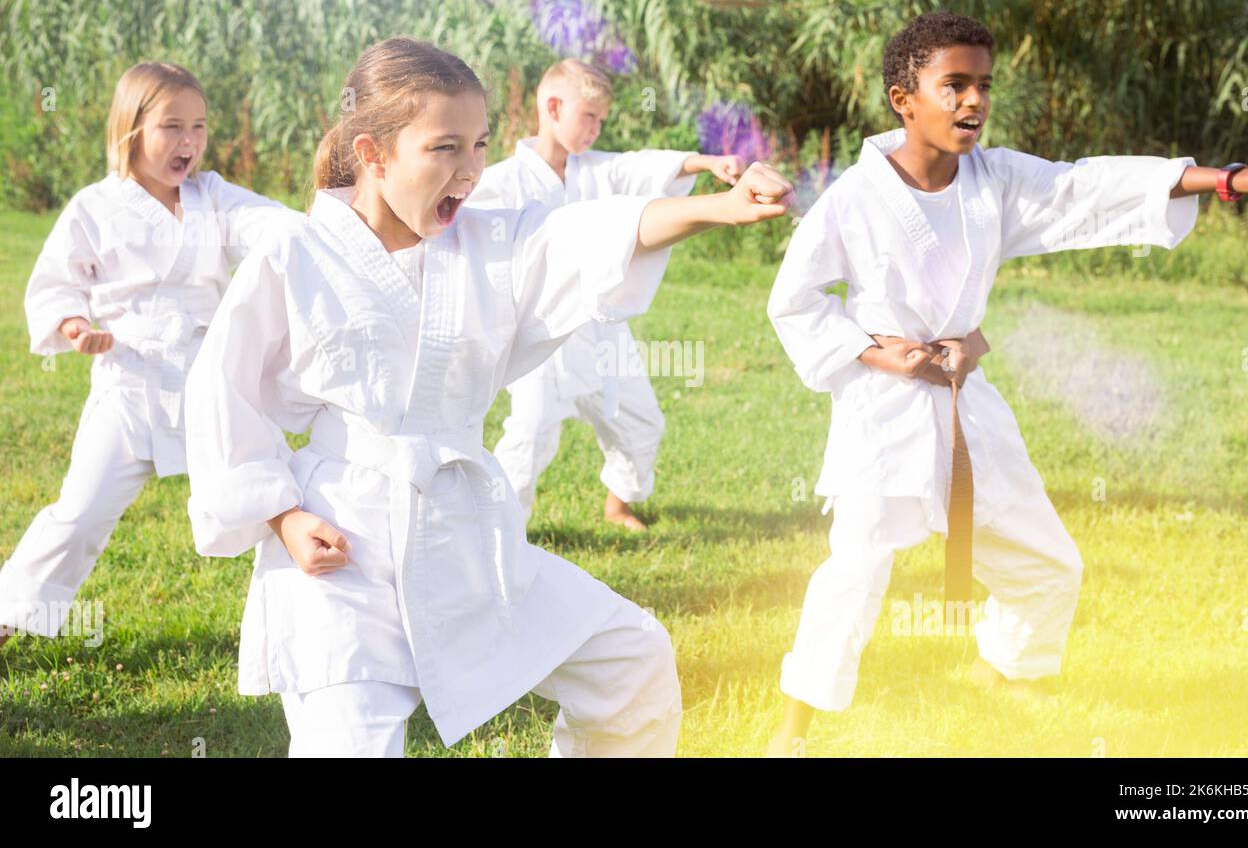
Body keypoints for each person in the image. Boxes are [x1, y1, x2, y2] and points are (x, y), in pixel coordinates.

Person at [183, 37, 792, 757]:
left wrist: (720, 207)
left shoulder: (490, 244)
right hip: (342, 549)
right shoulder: (296, 257)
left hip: (464, 536)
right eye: (444, 148)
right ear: (374, 153)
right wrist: (280, 515)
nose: (471, 172)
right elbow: (220, 390)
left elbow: (588, 236)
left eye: (477, 145)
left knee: (632, 661)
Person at [764, 10, 1248, 756]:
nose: (973, 102)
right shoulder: (855, 198)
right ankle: (793, 729)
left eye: (982, 85)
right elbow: (791, 300)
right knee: (853, 571)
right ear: (902, 98)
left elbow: (1088, 188)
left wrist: (1232, 179)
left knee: (1050, 562)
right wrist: (881, 355)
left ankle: (1005, 673)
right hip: (883, 412)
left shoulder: (996, 179)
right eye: (953, 85)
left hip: (963, 400)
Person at [0, 62, 284, 649]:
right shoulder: (95, 207)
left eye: (200, 127)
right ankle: (7, 614)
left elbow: (272, 226)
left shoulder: (213, 198)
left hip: (210, 380)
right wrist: (76, 325)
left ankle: (304, 620)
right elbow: (56, 283)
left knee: (272, 493)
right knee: (79, 513)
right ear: (131, 129)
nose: (190, 143)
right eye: (172, 127)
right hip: (129, 381)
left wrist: (329, 226)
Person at [468, 57, 745, 531]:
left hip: (601, 331)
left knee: (641, 423)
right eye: (589, 117)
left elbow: (638, 168)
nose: (596, 129)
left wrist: (707, 162)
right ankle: (502, 529)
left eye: (602, 120)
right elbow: (470, 248)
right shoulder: (499, 183)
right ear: (553, 106)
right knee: (530, 436)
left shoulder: (594, 171)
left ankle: (619, 506)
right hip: (540, 339)